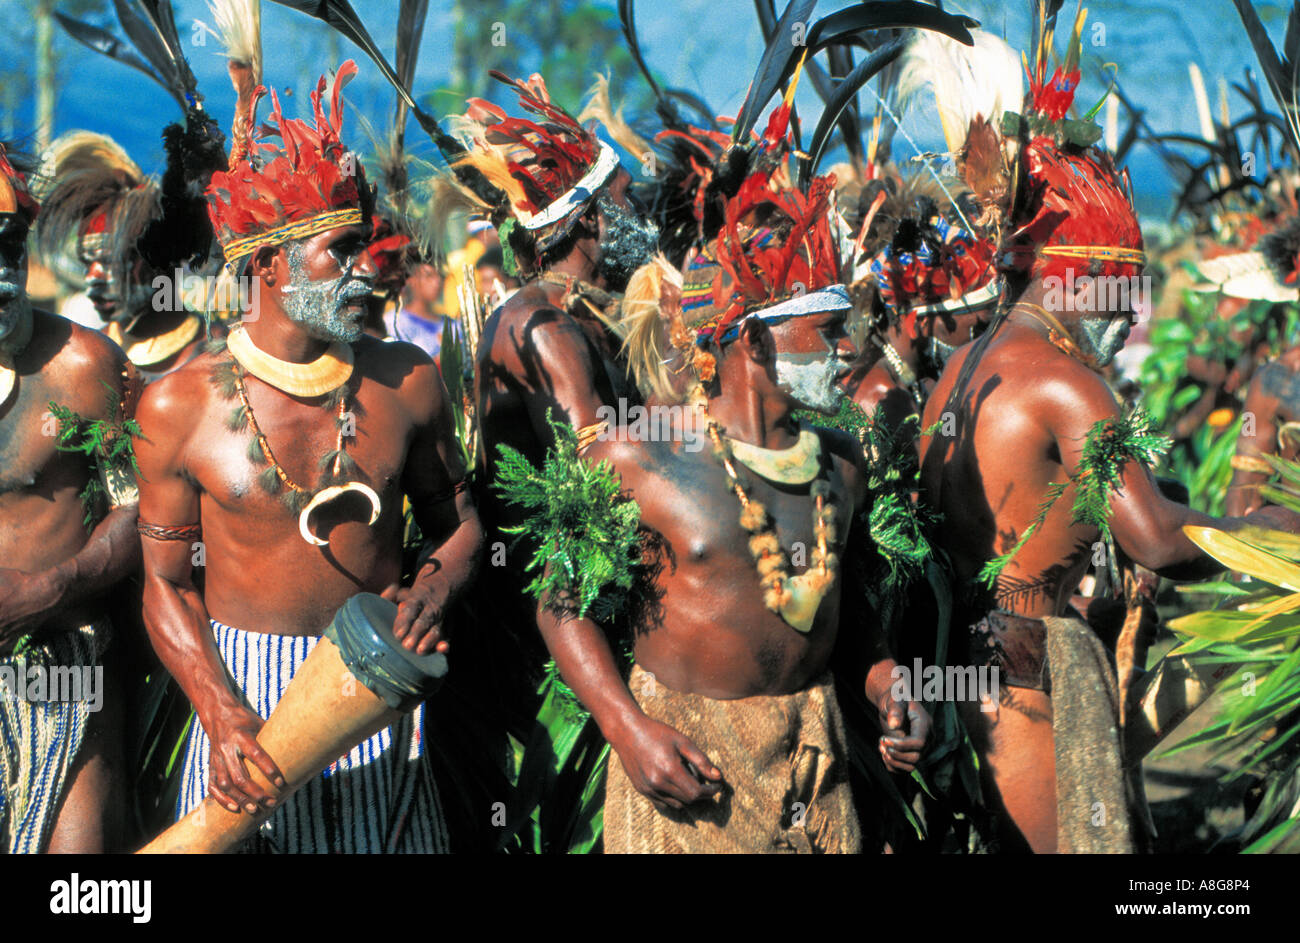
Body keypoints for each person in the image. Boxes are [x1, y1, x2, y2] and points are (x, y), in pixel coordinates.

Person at [918, 8, 1300, 853]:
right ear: (1086, 278)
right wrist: (1269, 531)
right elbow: (1157, 537)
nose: (1127, 321)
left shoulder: (964, 363)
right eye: (1122, 295)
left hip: (966, 681)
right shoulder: (1064, 378)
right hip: (1030, 691)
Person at [527, 121, 929, 853]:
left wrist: (885, 683)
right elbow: (560, 605)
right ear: (753, 339)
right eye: (829, 329)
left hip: (818, 764)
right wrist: (627, 728)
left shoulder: (841, 462)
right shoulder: (639, 455)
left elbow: (852, 613)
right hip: (686, 768)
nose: (848, 348)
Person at [133, 61, 481, 853]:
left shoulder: (406, 379)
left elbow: (461, 525)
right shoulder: (178, 405)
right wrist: (219, 708)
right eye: (344, 249)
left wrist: (436, 584)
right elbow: (163, 583)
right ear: (267, 261)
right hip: (241, 705)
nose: (369, 266)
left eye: (367, 244)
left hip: (380, 690)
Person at [0, 142, 140, 853]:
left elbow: (142, 510)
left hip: (64, 664)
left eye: (5, 249)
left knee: (76, 879)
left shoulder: (84, 366)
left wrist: (51, 586)